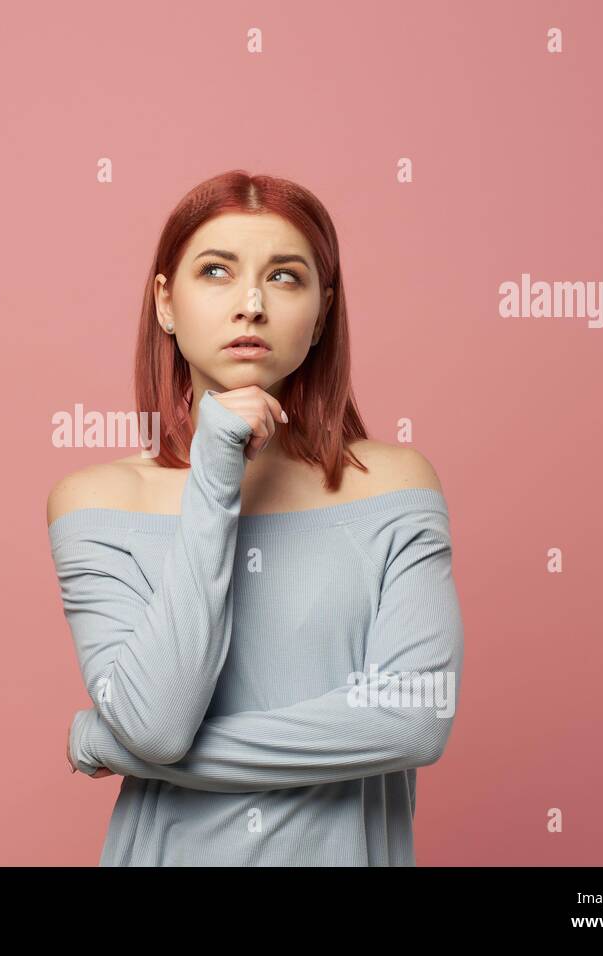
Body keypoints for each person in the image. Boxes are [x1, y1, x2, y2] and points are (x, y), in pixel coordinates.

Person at [46, 169, 465, 866]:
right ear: (165, 302)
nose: (251, 304)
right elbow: (157, 723)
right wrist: (215, 471)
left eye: (285, 277)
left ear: (323, 312)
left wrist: (109, 743)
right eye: (216, 271)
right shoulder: (96, 503)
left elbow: (414, 722)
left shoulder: (393, 483)